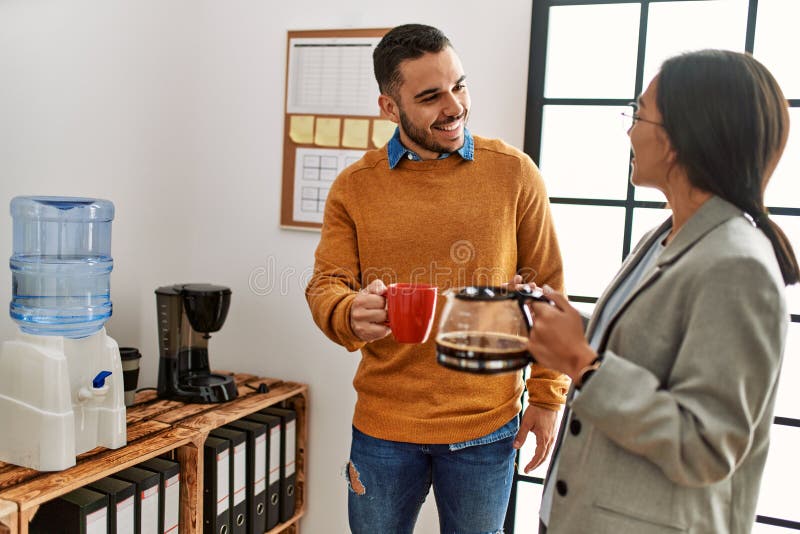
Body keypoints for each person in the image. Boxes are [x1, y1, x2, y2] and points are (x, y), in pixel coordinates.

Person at [305, 23, 569, 533]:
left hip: (487, 429)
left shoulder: (515, 174)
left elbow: (548, 291)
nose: (454, 106)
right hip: (383, 429)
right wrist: (347, 312)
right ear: (389, 107)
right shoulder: (354, 187)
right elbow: (326, 285)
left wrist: (545, 397)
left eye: (459, 85)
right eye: (430, 96)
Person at [527, 49, 798, 534]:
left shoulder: (739, 265)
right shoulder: (668, 233)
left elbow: (708, 445)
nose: (629, 130)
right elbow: (652, 353)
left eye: (638, 114)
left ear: (677, 141)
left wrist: (582, 364)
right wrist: (566, 324)